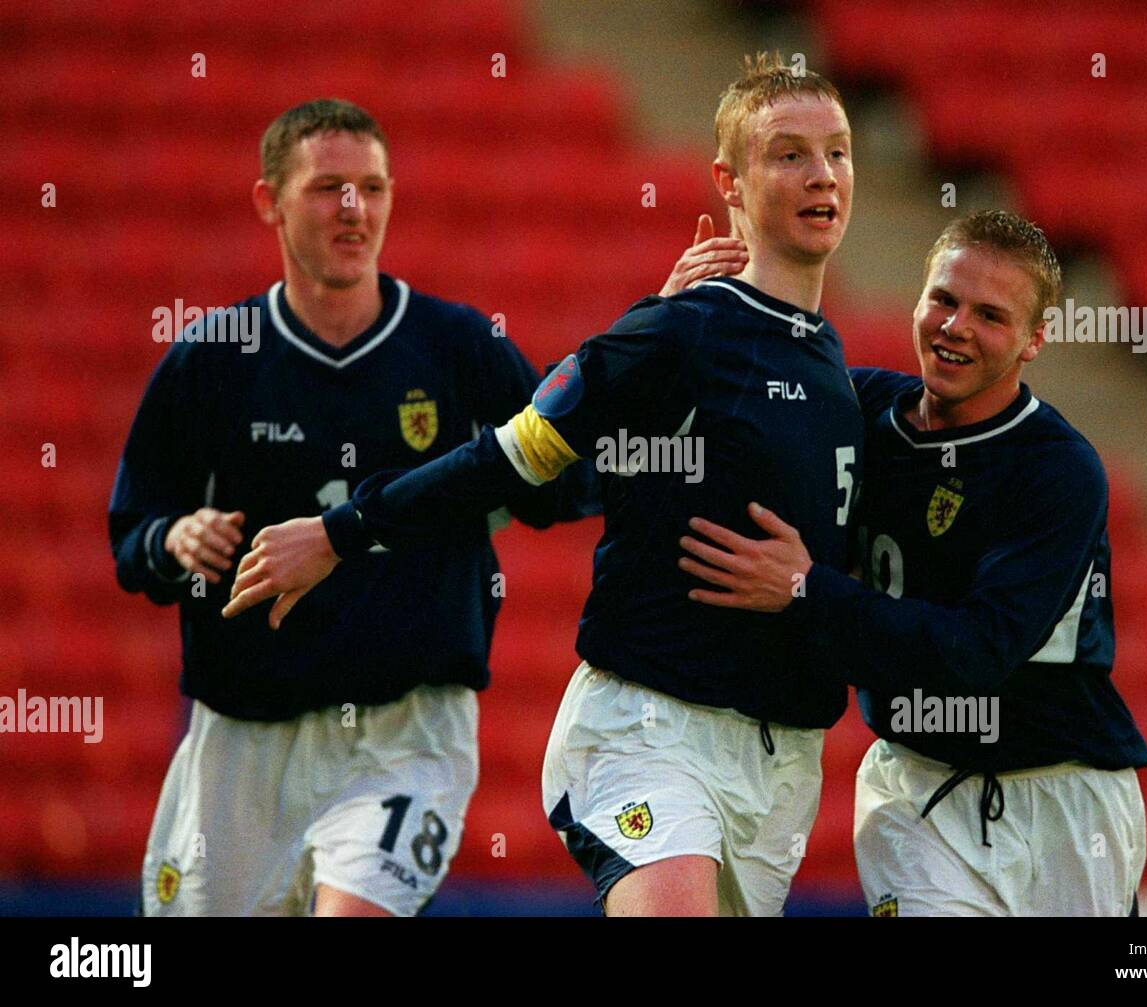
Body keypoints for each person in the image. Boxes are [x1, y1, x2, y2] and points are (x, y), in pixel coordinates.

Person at [224, 54, 865, 917]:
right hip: (650, 734)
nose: (821, 174)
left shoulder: (835, 370)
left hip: (782, 763)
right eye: (788, 153)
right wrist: (339, 534)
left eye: (837, 151)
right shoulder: (673, 336)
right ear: (730, 182)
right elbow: (508, 457)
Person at [109, 98, 726, 917]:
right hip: (244, 736)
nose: (354, 208)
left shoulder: (457, 347)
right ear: (270, 202)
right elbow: (133, 534)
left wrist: (649, 344)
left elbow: (564, 475)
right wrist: (171, 538)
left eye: (371, 186)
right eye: (328, 187)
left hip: (405, 734)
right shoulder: (211, 361)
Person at [678, 210, 1147, 916]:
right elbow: (730, 409)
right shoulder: (859, 409)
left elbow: (976, 652)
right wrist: (681, 314)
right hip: (915, 792)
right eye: (944, 299)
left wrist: (807, 591)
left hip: (1064, 796)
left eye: (990, 315)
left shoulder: (1059, 470)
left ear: (1034, 339)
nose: (956, 326)